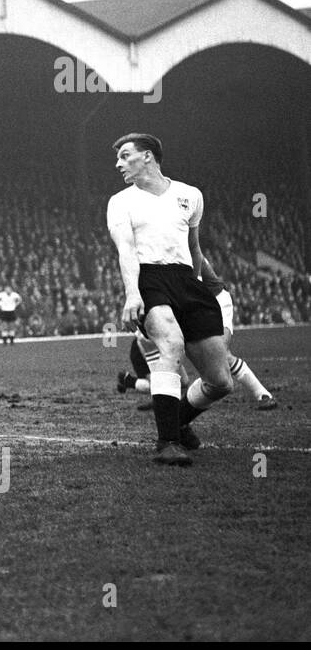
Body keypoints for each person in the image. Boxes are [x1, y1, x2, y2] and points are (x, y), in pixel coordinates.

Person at [107, 133, 233, 467]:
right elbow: (127, 251)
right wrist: (132, 292)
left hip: (187, 281)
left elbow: (193, 246)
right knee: (171, 345)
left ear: (147, 156)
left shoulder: (190, 195)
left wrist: (203, 283)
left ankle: (175, 420)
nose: (118, 163)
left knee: (221, 381)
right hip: (149, 278)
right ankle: (168, 442)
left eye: (124, 155)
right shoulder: (120, 201)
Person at [117, 254, 276, 410]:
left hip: (213, 299)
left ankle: (262, 394)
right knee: (173, 360)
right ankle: (172, 402)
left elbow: (193, 286)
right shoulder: (152, 254)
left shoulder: (177, 251)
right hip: (189, 302)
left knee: (221, 354)